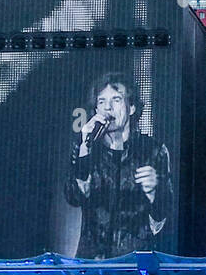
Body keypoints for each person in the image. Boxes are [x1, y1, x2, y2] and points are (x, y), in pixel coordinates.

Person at [65, 72, 174, 259]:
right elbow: (73, 197)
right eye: (101, 102)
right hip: (92, 263)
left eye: (116, 100)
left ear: (131, 107)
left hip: (135, 262)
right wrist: (84, 149)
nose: (108, 108)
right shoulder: (86, 148)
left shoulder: (153, 151)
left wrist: (156, 191)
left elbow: (162, 218)